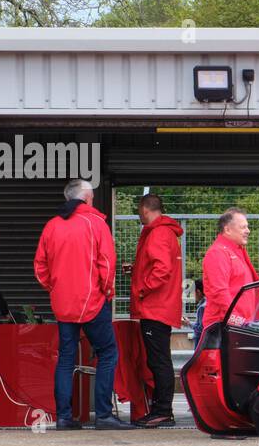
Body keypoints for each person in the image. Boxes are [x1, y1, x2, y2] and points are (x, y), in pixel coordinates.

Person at [34, 179, 132, 431]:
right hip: (92, 302)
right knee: (108, 353)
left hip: (63, 304)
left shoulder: (52, 225)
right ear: (87, 198)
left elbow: (40, 267)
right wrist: (106, 292)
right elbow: (107, 264)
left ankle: (64, 417)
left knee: (66, 358)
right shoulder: (96, 223)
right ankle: (103, 415)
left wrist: (55, 289)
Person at [129, 193, 184, 428]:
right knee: (159, 359)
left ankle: (162, 411)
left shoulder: (158, 233)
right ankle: (162, 409)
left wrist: (142, 288)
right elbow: (158, 265)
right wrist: (137, 270)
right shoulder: (165, 232)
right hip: (161, 305)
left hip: (155, 307)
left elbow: (161, 269)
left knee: (158, 360)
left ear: (144, 209)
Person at [201, 209, 259, 331]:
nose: (248, 231)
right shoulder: (218, 252)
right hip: (225, 328)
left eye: (247, 227)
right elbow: (219, 292)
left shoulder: (237, 251)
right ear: (227, 229)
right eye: (243, 227)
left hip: (239, 326)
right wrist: (238, 321)